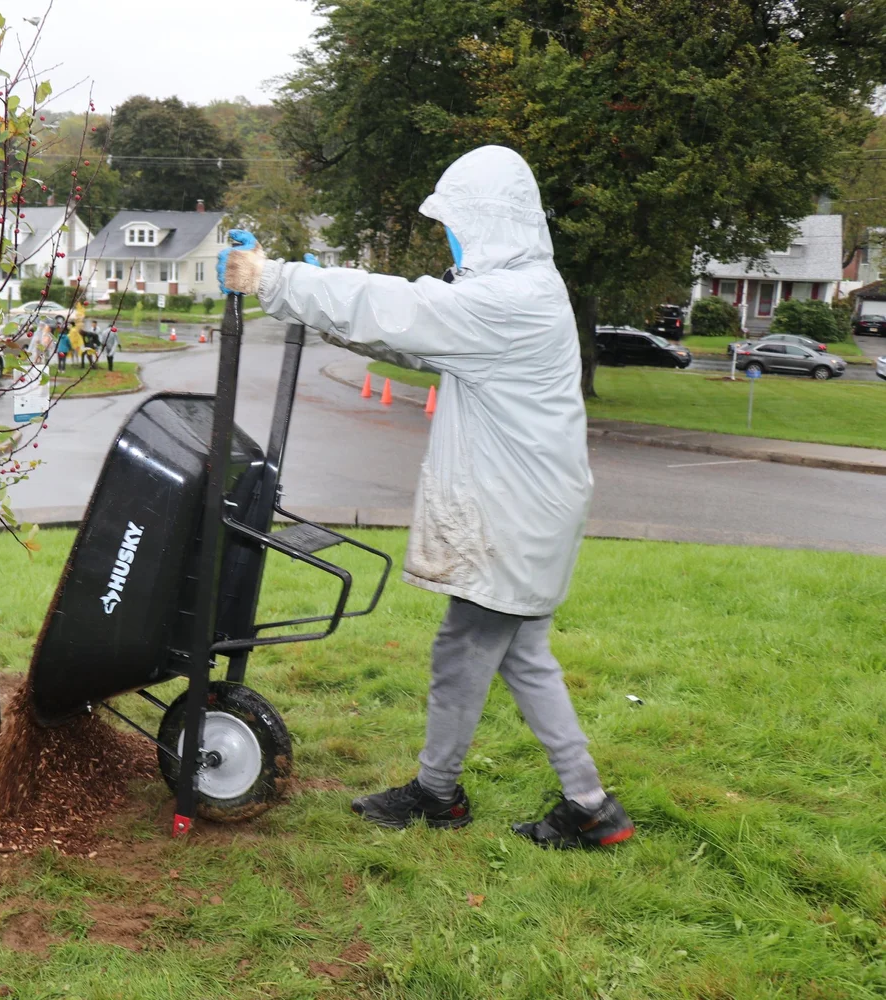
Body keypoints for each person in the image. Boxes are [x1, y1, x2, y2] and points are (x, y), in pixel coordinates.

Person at [217, 145, 634, 850]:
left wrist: (276, 278)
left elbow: (404, 308)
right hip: (530, 506)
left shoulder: (511, 300)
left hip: (513, 513)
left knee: (466, 647)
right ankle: (587, 806)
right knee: (519, 654)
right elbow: (416, 341)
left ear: (488, 222)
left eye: (455, 228)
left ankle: (450, 795)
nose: (450, 243)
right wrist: (315, 305)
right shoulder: (522, 290)